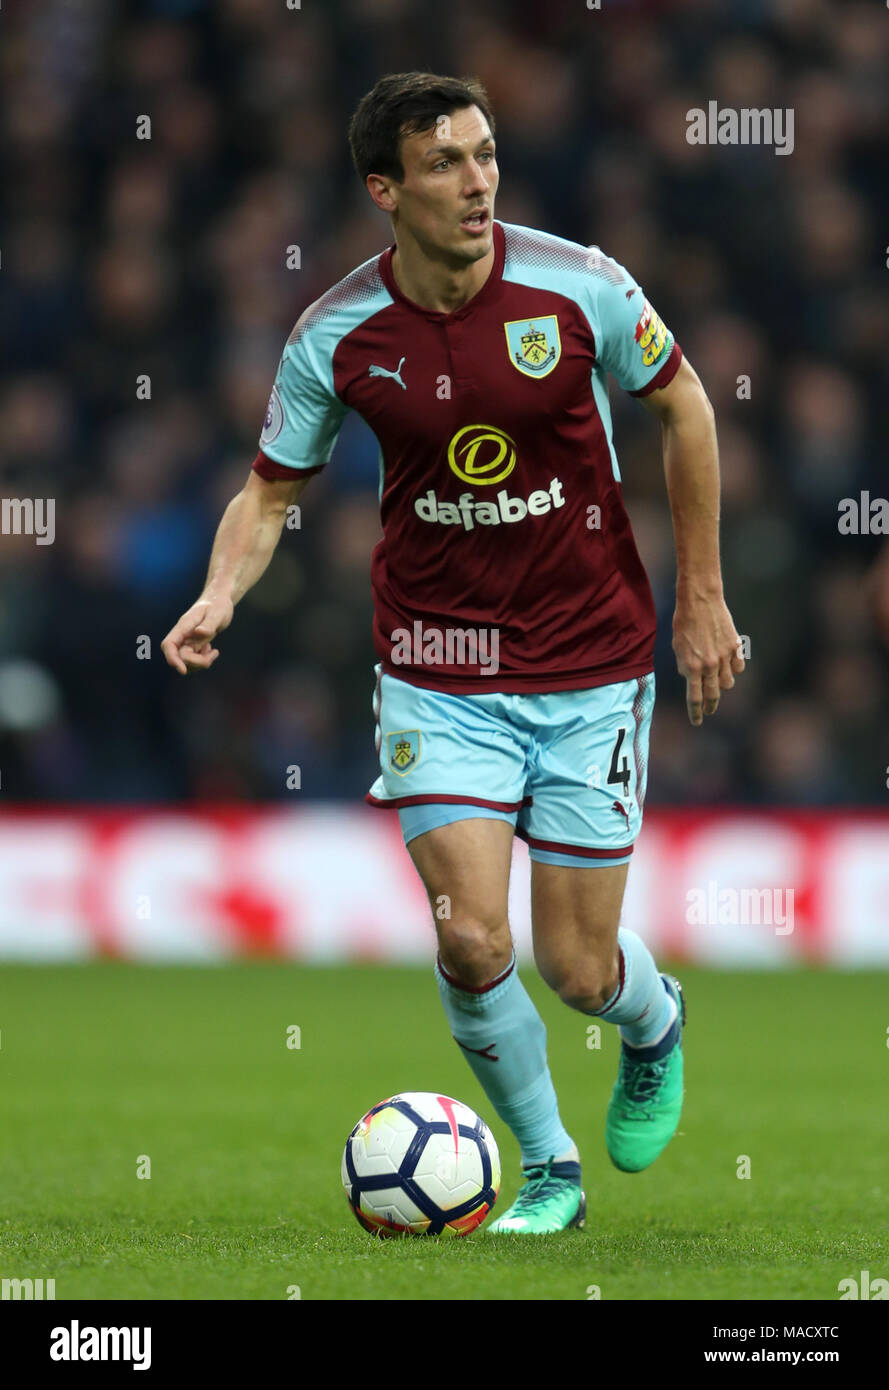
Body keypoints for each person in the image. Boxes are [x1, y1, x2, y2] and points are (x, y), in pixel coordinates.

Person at [162, 71, 745, 1234]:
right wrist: (220, 590)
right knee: (473, 937)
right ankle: (547, 1169)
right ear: (385, 189)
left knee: (577, 969)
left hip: (589, 660)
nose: (477, 182)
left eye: (484, 156)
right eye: (444, 164)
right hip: (436, 662)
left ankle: (651, 1018)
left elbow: (685, 406)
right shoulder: (334, 332)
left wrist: (704, 597)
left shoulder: (579, 283)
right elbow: (269, 493)